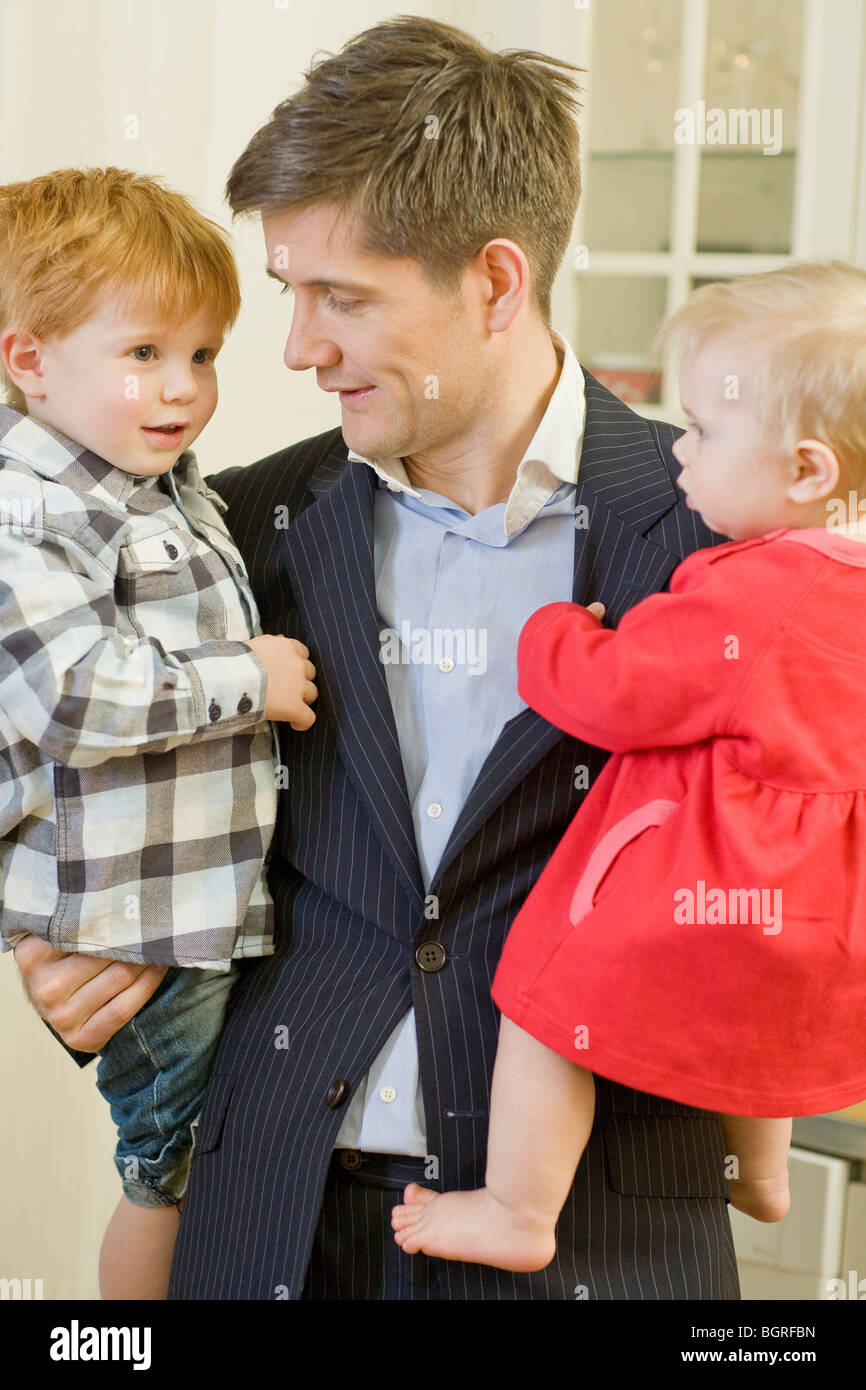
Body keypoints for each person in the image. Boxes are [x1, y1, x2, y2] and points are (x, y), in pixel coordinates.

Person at [14, 17, 741, 1300]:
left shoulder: (722, 536)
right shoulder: (229, 526)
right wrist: (58, 939)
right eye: (289, 293)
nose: (297, 348)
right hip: (269, 1223)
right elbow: (62, 719)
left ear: (496, 281)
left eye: (340, 298)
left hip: (600, 1239)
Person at [391, 258, 866, 1271]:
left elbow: (617, 694)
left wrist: (551, 633)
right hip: (819, 910)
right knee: (764, 1016)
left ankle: (516, 1211)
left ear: (806, 471)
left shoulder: (757, 592)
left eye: (703, 430)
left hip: (705, 883)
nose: (679, 449)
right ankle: (761, 1172)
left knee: (544, 1002)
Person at [0, 167, 318, 1299]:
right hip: (130, 921)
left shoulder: (163, 486)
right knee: (171, 1166)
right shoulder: (31, 509)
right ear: (29, 359)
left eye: (203, 353)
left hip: (187, 907)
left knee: (201, 1160)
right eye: (143, 353)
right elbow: (71, 697)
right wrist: (249, 680)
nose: (183, 386)